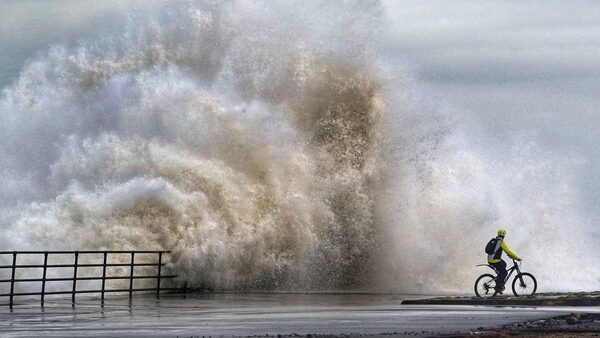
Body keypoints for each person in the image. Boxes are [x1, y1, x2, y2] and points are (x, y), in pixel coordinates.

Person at [488, 228, 521, 294]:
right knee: (505, 272)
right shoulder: (501, 242)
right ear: (504, 236)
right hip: (494, 260)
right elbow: (508, 251)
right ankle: (498, 286)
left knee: (504, 264)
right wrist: (517, 258)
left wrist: (510, 256)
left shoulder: (495, 241)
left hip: (490, 260)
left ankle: (499, 280)